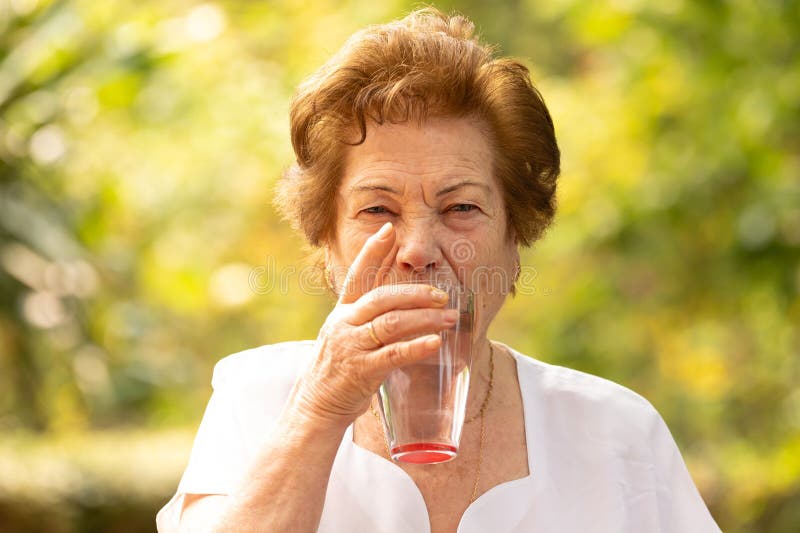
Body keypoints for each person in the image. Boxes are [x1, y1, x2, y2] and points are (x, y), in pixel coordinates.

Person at [157, 8, 721, 533]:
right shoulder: (259, 398)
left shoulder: (615, 432)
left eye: (461, 209)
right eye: (377, 209)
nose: (419, 249)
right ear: (326, 240)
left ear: (515, 235)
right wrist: (321, 406)